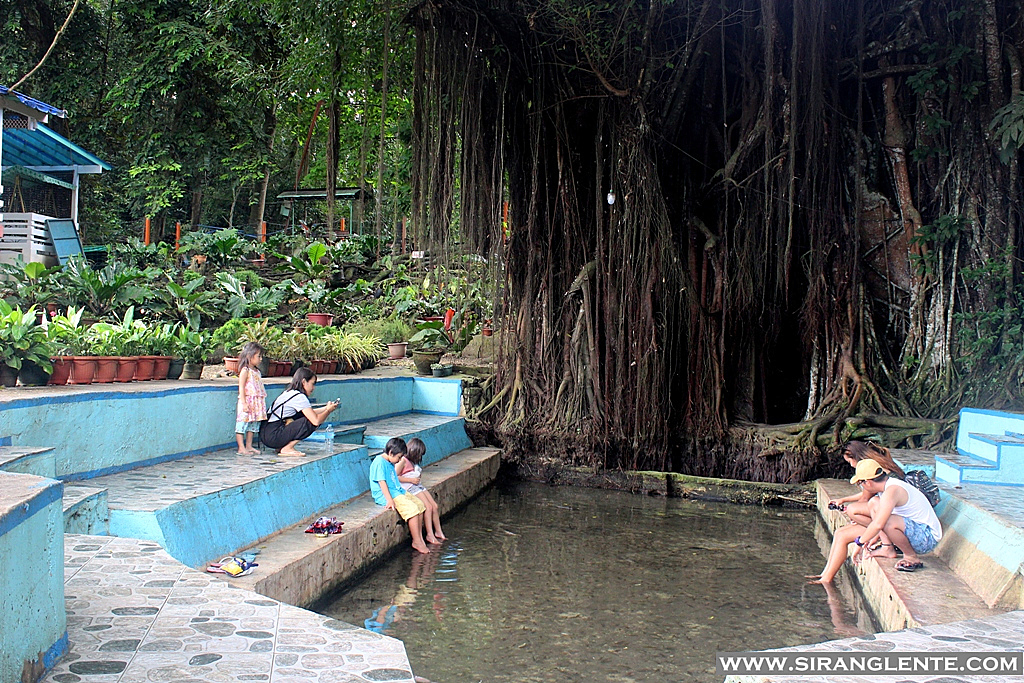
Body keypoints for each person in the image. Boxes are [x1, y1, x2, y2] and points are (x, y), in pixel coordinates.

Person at [809, 459, 943, 584]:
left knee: (887, 522)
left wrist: (860, 542)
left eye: (860, 483)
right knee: (841, 533)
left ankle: (911, 557)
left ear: (868, 482)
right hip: (907, 528)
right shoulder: (885, 489)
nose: (861, 486)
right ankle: (825, 578)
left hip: (926, 537)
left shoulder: (893, 490)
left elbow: (879, 523)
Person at [827, 441, 907, 547]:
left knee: (852, 511)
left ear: (856, 456)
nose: (851, 465)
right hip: (894, 510)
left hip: (894, 515)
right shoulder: (878, 463)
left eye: (850, 461)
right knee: (840, 532)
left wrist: (855, 517)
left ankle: (883, 540)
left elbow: (864, 499)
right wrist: (843, 500)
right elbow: (870, 492)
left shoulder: (869, 470)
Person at [259, 367, 338, 456]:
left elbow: (309, 412)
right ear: (304, 382)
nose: (313, 388)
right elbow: (315, 420)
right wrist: (328, 411)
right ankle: (287, 448)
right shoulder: (300, 397)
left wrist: (326, 408)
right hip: (273, 436)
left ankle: (282, 447)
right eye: (312, 384)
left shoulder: (289, 392)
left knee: (303, 416)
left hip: (266, 433)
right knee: (309, 421)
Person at [371, 437, 429, 554]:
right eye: (399, 457)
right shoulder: (379, 462)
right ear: (391, 453)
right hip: (387, 494)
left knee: (420, 505)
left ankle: (420, 539)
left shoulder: (390, 461)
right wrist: (389, 500)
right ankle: (416, 541)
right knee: (412, 509)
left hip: (397, 491)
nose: (399, 460)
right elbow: (382, 483)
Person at [397, 437, 446, 544]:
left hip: (417, 485)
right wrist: (410, 479)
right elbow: (394, 477)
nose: (420, 457)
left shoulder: (413, 462)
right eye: (419, 454)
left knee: (434, 506)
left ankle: (438, 532)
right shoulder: (403, 461)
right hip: (410, 486)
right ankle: (429, 535)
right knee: (427, 507)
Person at [235, 342, 267, 455]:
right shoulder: (245, 371)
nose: (261, 359)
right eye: (258, 356)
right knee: (242, 423)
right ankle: (241, 447)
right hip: (247, 400)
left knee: (253, 424)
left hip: (256, 402)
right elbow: (242, 387)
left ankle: (249, 446)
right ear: (249, 356)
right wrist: (243, 402)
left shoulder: (257, 372)